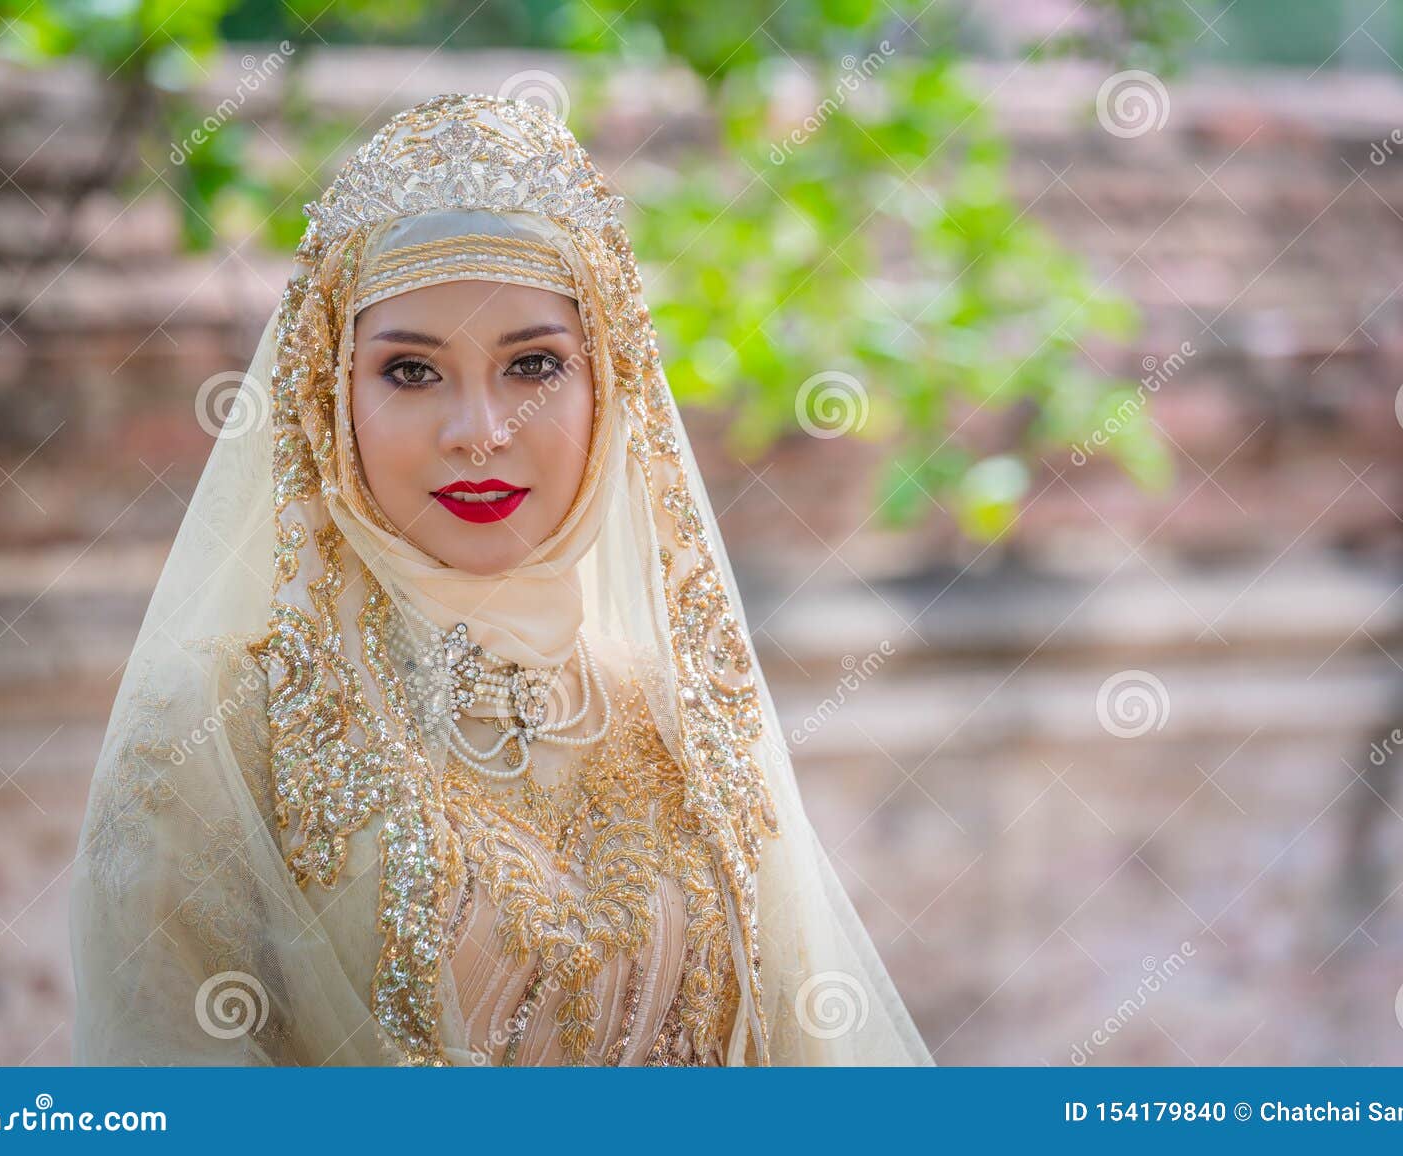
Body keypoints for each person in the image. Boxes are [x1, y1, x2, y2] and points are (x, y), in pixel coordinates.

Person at [69, 92, 932, 1066]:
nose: (481, 430)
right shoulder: (222, 727)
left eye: (532, 365)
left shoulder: (674, 711)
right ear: (327, 396)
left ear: (608, 385)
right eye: (409, 372)